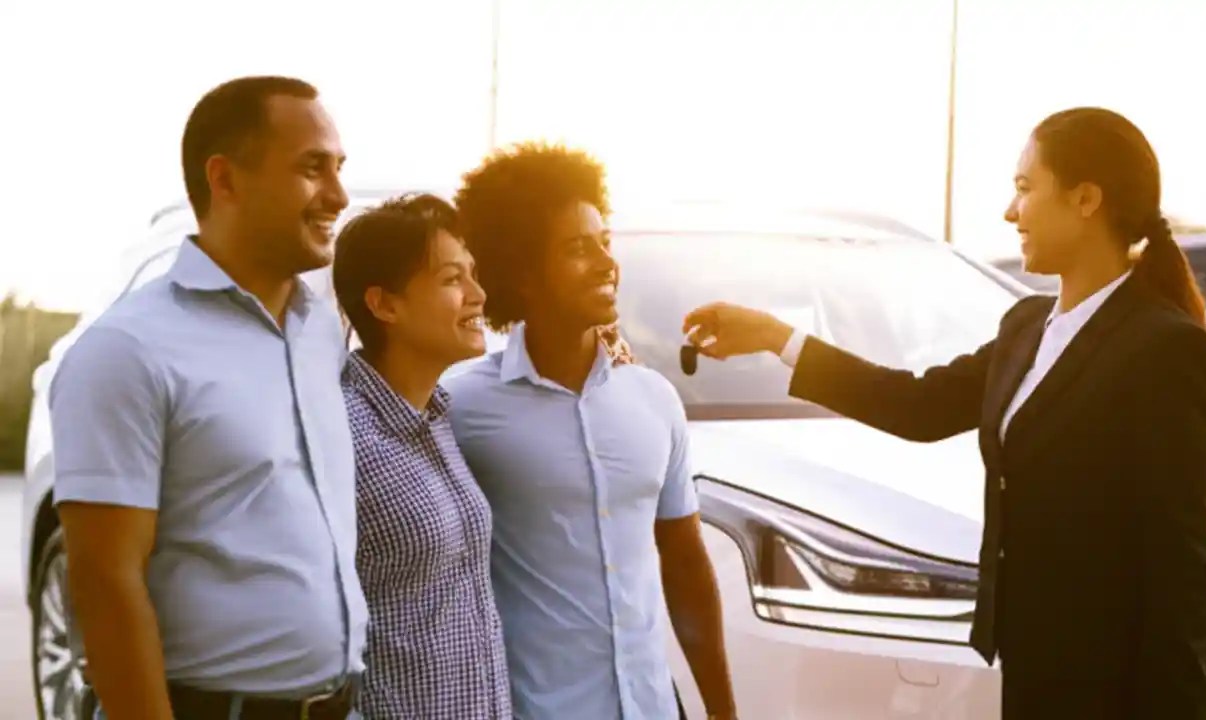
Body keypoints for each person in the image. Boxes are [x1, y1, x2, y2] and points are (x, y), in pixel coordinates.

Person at [683, 107, 1206, 720]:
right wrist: (777, 337)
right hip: (1031, 664)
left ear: (1086, 199)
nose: (1009, 212)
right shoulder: (1026, 328)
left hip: (1113, 684)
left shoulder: (1163, 346)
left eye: (1024, 188)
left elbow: (1175, 560)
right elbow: (918, 406)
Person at [50, 76, 366, 719]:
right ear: (224, 180)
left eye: (338, 169)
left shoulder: (318, 331)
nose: (338, 194)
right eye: (312, 168)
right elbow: (105, 584)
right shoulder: (127, 350)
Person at [443, 142, 738, 720]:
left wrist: (722, 712)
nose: (607, 263)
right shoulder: (460, 405)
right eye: (579, 249)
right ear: (521, 273)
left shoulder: (652, 399)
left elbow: (685, 565)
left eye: (605, 242)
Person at [331, 193, 512, 719]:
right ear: (385, 304)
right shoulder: (342, 432)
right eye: (453, 279)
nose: (479, 295)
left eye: (473, 274)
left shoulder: (436, 418)